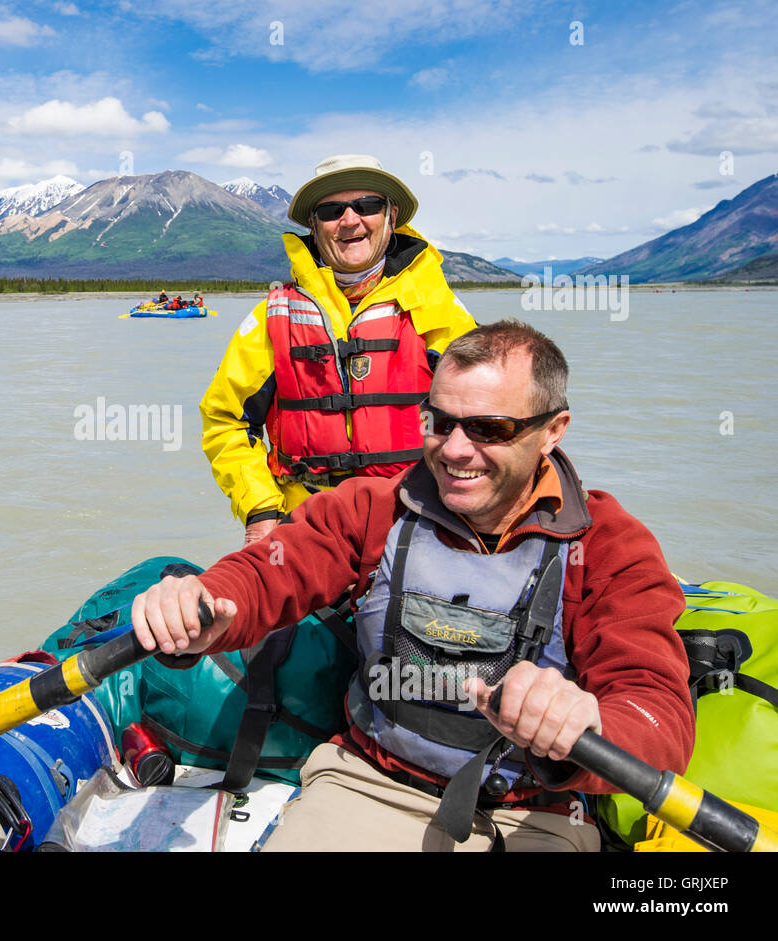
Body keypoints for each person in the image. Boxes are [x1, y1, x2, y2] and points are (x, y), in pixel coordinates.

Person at [133, 321, 694, 851]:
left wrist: (587, 722)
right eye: (440, 421)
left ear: (553, 430)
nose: (453, 449)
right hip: (368, 780)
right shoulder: (373, 507)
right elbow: (270, 568)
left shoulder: (610, 546)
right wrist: (202, 600)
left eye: (488, 429)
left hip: (533, 811)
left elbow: (657, 712)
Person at [201, 155, 478, 546]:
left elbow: (490, 418)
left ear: (391, 216)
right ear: (314, 227)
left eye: (367, 206)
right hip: (304, 529)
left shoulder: (439, 308)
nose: (350, 220)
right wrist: (261, 511)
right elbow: (224, 420)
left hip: (421, 526)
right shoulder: (272, 317)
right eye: (332, 211)